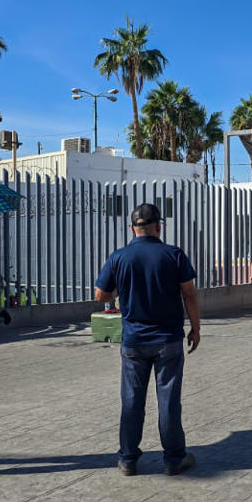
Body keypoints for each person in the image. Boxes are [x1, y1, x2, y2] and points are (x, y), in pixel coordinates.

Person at [95, 203, 201, 476]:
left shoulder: (119, 257)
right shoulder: (174, 255)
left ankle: (128, 458)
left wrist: (121, 289)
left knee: (131, 400)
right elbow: (189, 294)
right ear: (158, 227)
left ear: (133, 229)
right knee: (168, 401)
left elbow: (100, 295)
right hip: (168, 339)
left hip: (133, 341)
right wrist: (196, 328)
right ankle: (174, 458)